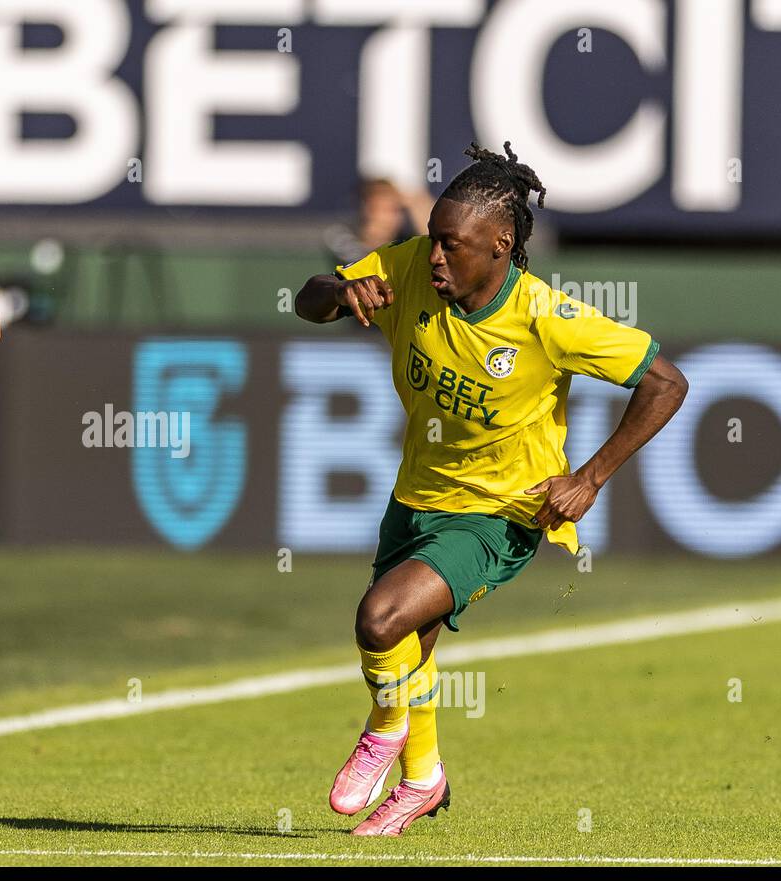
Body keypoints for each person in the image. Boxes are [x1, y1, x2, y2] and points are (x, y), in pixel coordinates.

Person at [294, 142, 688, 837]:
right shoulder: (410, 263)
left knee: (380, 621)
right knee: (408, 644)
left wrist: (590, 478)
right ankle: (423, 780)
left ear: (501, 245)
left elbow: (666, 383)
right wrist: (339, 290)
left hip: (502, 512)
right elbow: (309, 301)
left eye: (453, 245)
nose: (435, 257)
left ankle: (383, 731)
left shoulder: (547, 318)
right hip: (415, 496)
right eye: (433, 240)